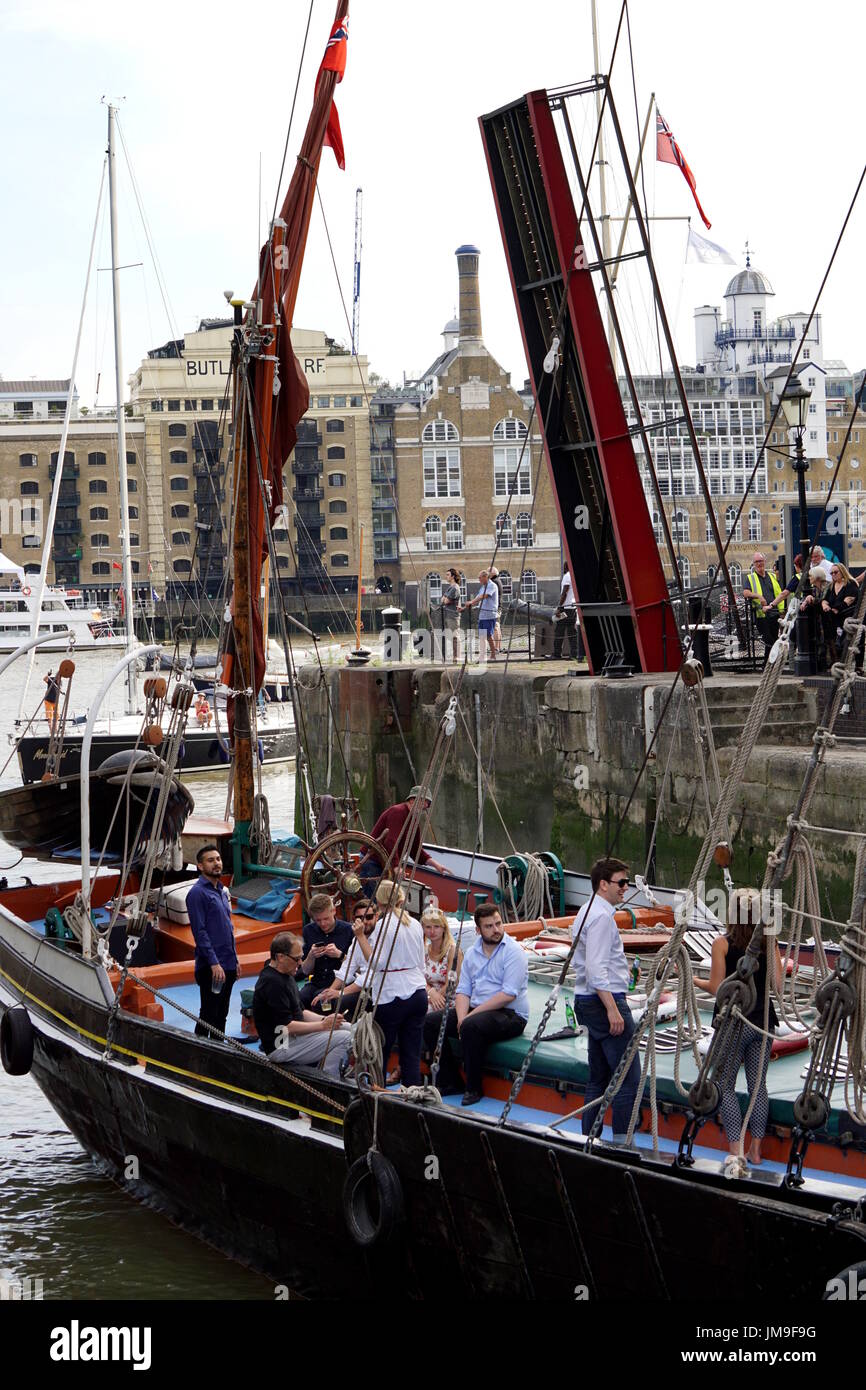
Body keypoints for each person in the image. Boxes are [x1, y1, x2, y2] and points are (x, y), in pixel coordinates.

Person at [694, 888, 782, 1167]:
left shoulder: (722, 944)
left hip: (734, 1024)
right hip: (763, 1022)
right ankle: (756, 1151)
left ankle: (737, 1151)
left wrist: (689, 978)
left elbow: (718, 988)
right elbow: (778, 987)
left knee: (725, 1085)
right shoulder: (770, 942)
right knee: (758, 1087)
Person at [429, 903, 529, 1106]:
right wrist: (461, 1014)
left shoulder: (513, 952)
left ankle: (474, 1088)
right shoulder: (472, 954)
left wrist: (467, 1018)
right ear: (478, 930)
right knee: (430, 1023)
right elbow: (463, 990)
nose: (496, 930)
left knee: (471, 1026)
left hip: (510, 1014)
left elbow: (508, 994)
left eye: (498, 924)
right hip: (478, 1009)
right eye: (489, 926)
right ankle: (450, 1081)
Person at [571, 857, 641, 1144]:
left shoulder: (586, 911)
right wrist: (613, 1009)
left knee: (598, 1077)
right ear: (603, 884)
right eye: (621, 882)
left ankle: (589, 1140)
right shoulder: (601, 917)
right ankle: (624, 1145)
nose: (625, 888)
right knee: (628, 1077)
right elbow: (596, 969)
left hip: (585, 1000)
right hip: (603, 1001)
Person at [351, 879, 428, 1087]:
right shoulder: (416, 924)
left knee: (380, 1052)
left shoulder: (384, 926)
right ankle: (412, 1095)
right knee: (411, 1053)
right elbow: (421, 962)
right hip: (417, 993)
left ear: (379, 901)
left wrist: (360, 937)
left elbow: (377, 963)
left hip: (391, 996)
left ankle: (377, 1093)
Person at [253, 931, 352, 1078]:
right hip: (282, 1046)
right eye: (297, 959)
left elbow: (300, 1012)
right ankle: (328, 1080)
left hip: (294, 1038)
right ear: (280, 957)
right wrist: (323, 1026)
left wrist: (325, 1020)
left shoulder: (285, 974)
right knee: (345, 1038)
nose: (300, 963)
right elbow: (287, 1027)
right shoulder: (272, 983)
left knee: (350, 1029)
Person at [187, 844, 239, 1040]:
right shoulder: (197, 893)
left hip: (228, 963)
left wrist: (235, 960)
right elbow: (199, 932)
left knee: (222, 1015)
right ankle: (198, 1051)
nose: (217, 863)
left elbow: (228, 929)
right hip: (211, 966)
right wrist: (214, 963)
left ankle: (218, 1051)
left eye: (218, 859)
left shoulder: (221, 891)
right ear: (200, 866)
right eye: (211, 860)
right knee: (208, 1014)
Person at [313, 898, 380, 1020]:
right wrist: (330, 991)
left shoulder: (382, 938)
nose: (364, 922)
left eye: (369, 917)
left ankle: (350, 1035)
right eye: (360, 918)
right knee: (320, 1001)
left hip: (376, 989)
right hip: (361, 987)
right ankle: (327, 1032)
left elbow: (372, 976)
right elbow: (346, 969)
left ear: (377, 916)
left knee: (340, 1003)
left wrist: (339, 993)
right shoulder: (356, 941)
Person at [367, 786, 452, 877]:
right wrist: (396, 866)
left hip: (384, 864)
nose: (426, 806)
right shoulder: (398, 812)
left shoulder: (413, 821)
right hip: (373, 862)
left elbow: (415, 850)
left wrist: (436, 865)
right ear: (412, 800)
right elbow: (390, 842)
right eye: (425, 801)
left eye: (428, 803)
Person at [296, 892, 354, 1011]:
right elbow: (306, 970)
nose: (322, 923)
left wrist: (339, 955)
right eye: (318, 920)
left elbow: (357, 967)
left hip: (339, 984)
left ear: (333, 911)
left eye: (326, 919)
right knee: (298, 1000)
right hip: (316, 982)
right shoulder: (308, 931)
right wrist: (311, 956)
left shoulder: (349, 930)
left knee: (322, 1005)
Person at [743, 552, 784, 667]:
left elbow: (779, 593)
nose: (759, 564)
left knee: (773, 640)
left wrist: (781, 611)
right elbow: (745, 593)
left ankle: (768, 665)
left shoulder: (772, 576)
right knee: (769, 640)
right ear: (754, 564)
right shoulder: (750, 578)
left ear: (764, 562)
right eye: (756, 562)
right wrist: (759, 597)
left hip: (774, 613)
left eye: (761, 561)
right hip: (761, 614)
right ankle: (768, 664)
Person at [420, 905, 463, 1014]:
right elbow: (418, 978)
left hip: (448, 1000)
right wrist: (431, 994)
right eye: (428, 927)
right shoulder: (424, 950)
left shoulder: (453, 951)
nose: (432, 931)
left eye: (437, 926)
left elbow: (452, 984)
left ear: (444, 928)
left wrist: (436, 997)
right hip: (429, 997)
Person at [460, 569, 499, 662]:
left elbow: (483, 596)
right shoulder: (482, 587)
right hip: (482, 615)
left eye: (480, 578)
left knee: (488, 635)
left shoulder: (492, 586)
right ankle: (482, 656)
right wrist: (463, 608)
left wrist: (472, 602)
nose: (479, 580)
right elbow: (477, 599)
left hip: (489, 614)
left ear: (485, 577)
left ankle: (493, 655)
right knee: (482, 636)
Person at [553, 563, 579, 660]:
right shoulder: (574, 576)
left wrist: (559, 607)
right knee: (572, 632)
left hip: (565, 608)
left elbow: (564, 593)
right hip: (573, 607)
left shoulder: (567, 577)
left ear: (566, 567)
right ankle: (574, 654)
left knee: (559, 631)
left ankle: (556, 654)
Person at [438, 568, 462, 663]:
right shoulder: (449, 587)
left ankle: (456, 657)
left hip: (453, 615)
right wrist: (445, 599)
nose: (446, 576)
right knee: (451, 636)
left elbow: (446, 601)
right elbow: (442, 600)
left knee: (455, 636)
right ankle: (453, 656)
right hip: (448, 615)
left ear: (453, 576)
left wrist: (446, 599)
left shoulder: (455, 588)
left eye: (448, 575)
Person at [488, 565, 503, 655]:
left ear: (492, 573)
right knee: (497, 627)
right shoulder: (497, 581)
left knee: (496, 627)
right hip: (497, 607)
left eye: (488, 572)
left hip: (495, 608)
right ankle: (498, 647)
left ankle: (496, 648)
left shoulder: (495, 582)